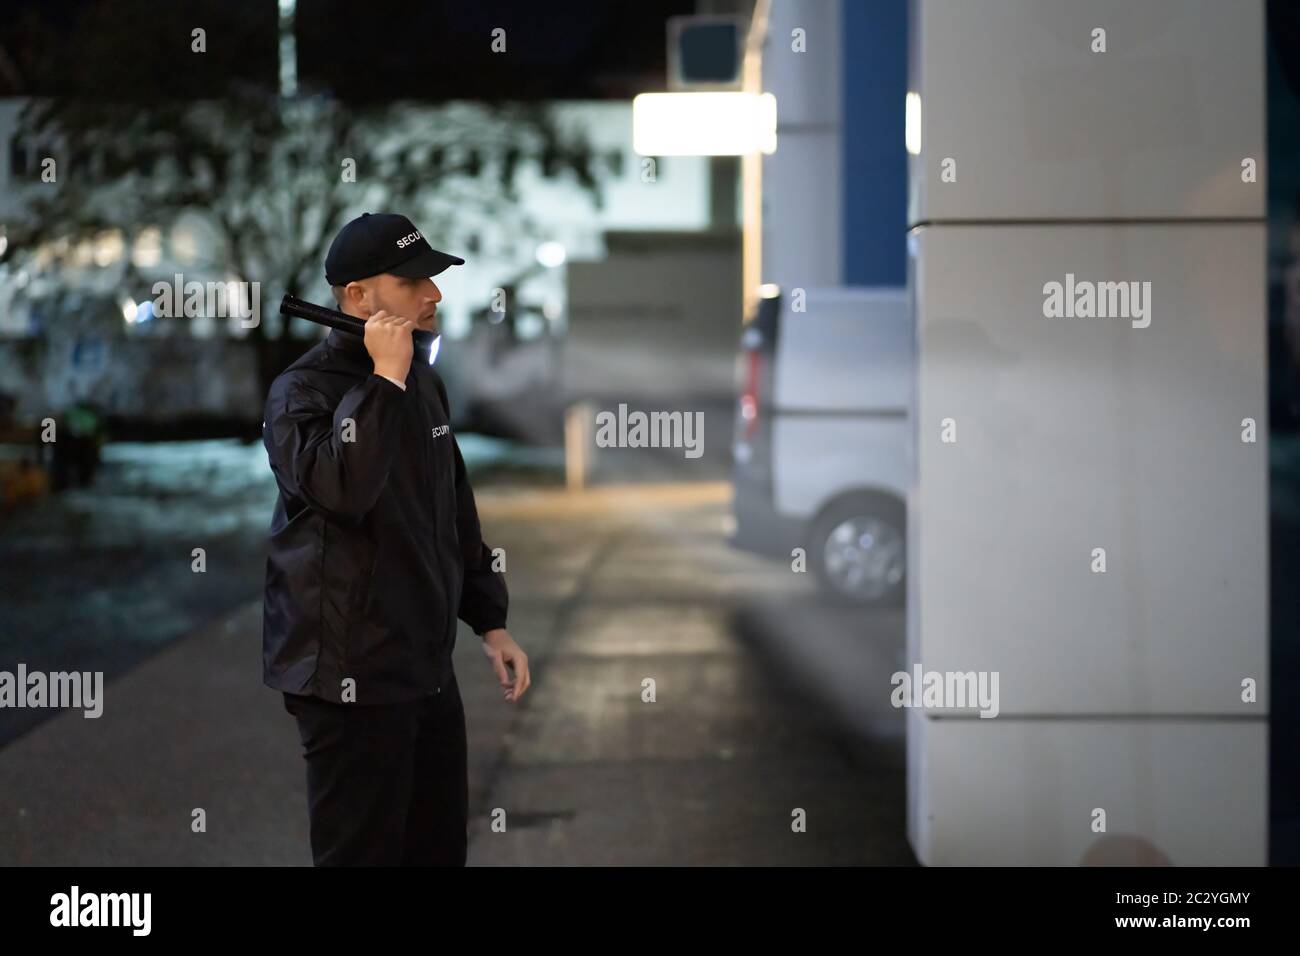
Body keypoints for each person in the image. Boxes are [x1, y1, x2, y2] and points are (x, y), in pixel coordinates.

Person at [261, 212, 531, 866]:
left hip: (424, 670)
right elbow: (343, 490)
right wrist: (382, 381)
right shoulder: (302, 393)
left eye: (433, 279)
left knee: (437, 851)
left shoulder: (423, 382)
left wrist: (490, 622)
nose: (433, 294)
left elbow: (450, 507)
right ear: (357, 297)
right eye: (413, 281)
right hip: (350, 679)